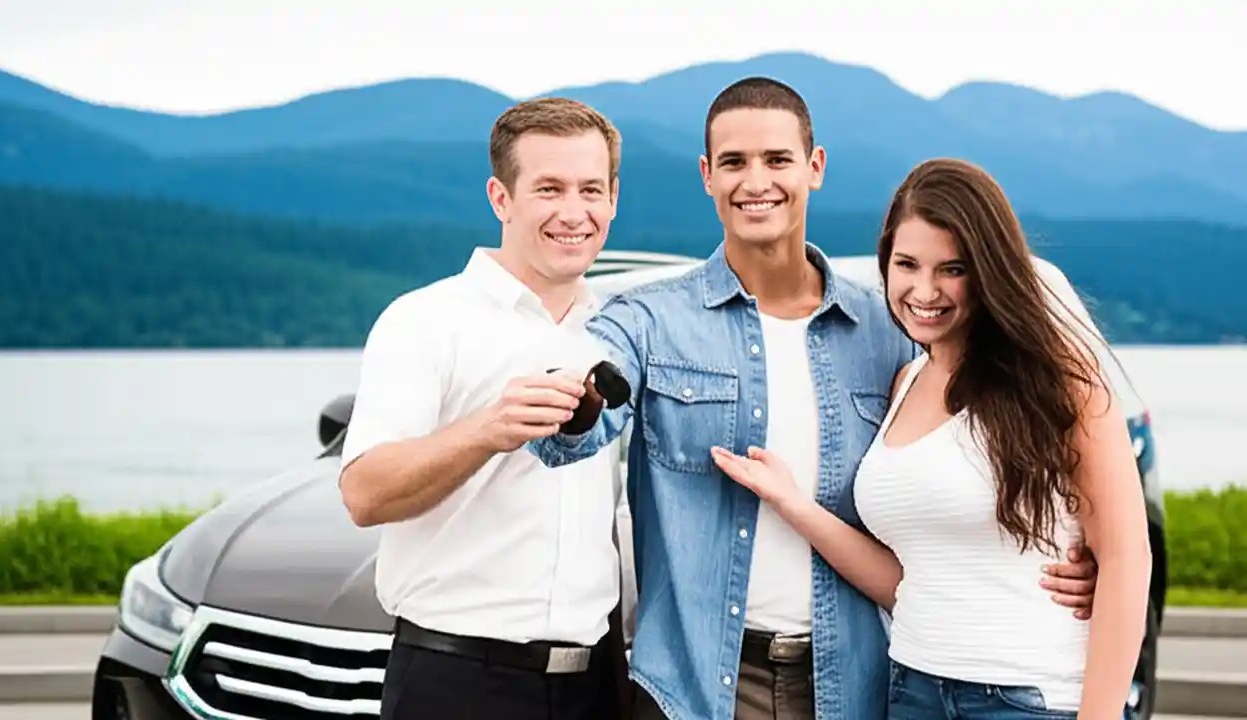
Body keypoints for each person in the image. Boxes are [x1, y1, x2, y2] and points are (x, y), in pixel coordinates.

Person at [527, 78, 1099, 720]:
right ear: (707, 175)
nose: (755, 181)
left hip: (855, 686)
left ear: (815, 168)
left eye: (777, 160)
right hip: (693, 690)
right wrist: (576, 398)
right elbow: (578, 416)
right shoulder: (649, 321)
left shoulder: (893, 329)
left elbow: (985, 459)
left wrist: (1090, 558)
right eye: (734, 163)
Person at [711, 157, 1151, 719]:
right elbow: (908, 582)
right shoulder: (907, 382)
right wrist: (793, 503)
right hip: (913, 690)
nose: (925, 290)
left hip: (1028, 699)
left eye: (953, 269)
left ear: (991, 270)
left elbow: (1125, 557)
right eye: (907, 264)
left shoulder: (1060, 383)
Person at [338, 96, 633, 720]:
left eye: (590, 189)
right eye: (548, 189)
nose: (573, 213)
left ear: (613, 197)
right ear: (501, 198)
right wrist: (486, 429)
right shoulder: (424, 320)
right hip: (457, 681)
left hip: (598, 684)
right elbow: (364, 494)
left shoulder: (622, 330)